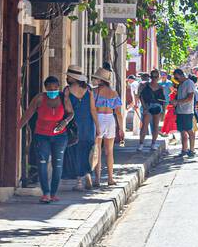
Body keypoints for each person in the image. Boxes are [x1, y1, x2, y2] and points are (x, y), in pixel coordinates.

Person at [20, 75, 74, 204]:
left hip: (60, 136)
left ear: (58, 87)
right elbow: (28, 113)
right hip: (41, 136)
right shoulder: (40, 98)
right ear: (45, 88)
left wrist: (64, 122)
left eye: (55, 88)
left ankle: (54, 193)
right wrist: (18, 127)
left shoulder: (63, 98)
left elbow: (71, 113)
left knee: (58, 164)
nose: (52, 91)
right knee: (42, 163)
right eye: (49, 89)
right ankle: (46, 193)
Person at [63, 65, 98, 193]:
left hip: (74, 125)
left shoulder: (67, 90)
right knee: (87, 150)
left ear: (72, 77)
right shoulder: (88, 90)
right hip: (88, 124)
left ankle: (79, 182)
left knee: (75, 152)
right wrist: (97, 127)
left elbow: (67, 109)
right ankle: (88, 174)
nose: (66, 78)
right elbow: (93, 110)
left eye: (68, 76)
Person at [92, 67, 124, 187]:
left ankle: (97, 179)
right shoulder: (113, 93)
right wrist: (121, 128)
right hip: (110, 119)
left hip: (98, 119)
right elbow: (119, 113)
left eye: (96, 78)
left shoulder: (94, 92)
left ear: (101, 80)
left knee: (97, 150)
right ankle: (110, 178)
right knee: (109, 151)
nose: (94, 80)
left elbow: (92, 109)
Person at [173, 69, 198, 159]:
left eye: (176, 77)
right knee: (182, 131)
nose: (176, 79)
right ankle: (184, 150)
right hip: (180, 111)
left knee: (189, 130)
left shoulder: (189, 83)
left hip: (187, 111)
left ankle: (192, 150)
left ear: (180, 75)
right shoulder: (180, 84)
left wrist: (177, 102)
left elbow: (190, 98)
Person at [139, 69, 166, 146]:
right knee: (144, 125)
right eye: (153, 77)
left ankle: (153, 143)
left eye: (156, 77)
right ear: (151, 77)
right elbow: (141, 97)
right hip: (148, 106)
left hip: (157, 107)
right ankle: (141, 144)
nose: (154, 78)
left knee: (155, 126)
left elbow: (163, 100)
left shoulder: (160, 87)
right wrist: (144, 107)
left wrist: (163, 112)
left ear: (158, 77)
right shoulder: (145, 86)